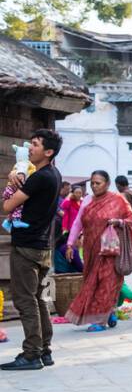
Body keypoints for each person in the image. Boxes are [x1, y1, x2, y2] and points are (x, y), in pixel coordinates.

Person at [2, 129, 64, 371]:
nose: (30, 148)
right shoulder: (54, 174)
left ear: (48, 152)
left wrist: (11, 183)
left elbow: (8, 204)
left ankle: (31, 354)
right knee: (39, 299)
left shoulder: (39, 177)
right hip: (42, 246)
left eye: (36, 145)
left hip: (27, 246)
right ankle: (44, 350)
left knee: (25, 300)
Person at [65, 171, 132, 331]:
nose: (94, 186)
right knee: (93, 284)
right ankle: (109, 311)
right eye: (92, 183)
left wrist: (118, 222)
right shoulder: (88, 201)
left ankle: (100, 320)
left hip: (111, 251)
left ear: (107, 183)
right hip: (92, 251)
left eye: (98, 183)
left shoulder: (118, 200)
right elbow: (78, 223)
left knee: (107, 283)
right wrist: (70, 244)